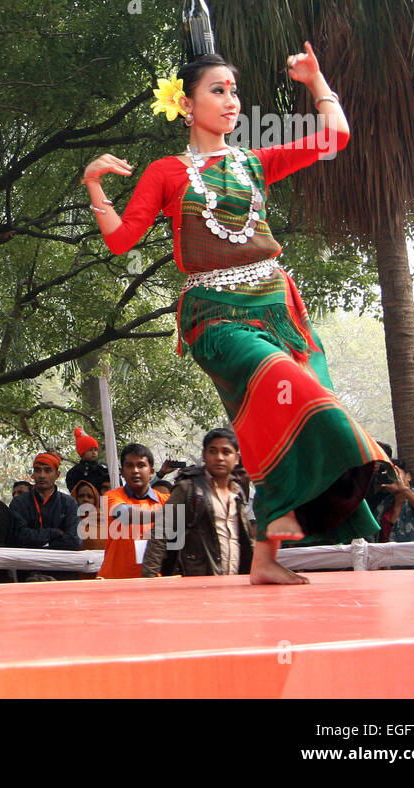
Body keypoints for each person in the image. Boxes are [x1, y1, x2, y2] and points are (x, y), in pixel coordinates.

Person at [82, 45, 389, 585]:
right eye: (218, 91)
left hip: (278, 310)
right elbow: (121, 241)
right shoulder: (166, 172)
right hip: (215, 319)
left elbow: (334, 136)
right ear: (185, 102)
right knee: (291, 390)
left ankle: (268, 554)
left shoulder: (253, 161)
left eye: (234, 91)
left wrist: (316, 81)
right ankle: (277, 542)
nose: (232, 101)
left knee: (283, 423)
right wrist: (95, 186)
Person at [142, 428, 254, 577]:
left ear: (237, 458)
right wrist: (149, 580)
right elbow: (161, 532)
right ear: (204, 455)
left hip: (234, 582)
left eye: (226, 452)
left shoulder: (237, 493)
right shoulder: (188, 488)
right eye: (213, 451)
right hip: (195, 583)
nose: (219, 457)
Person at [99, 444, 168, 579]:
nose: (135, 470)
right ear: (122, 471)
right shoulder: (111, 497)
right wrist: (165, 515)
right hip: (115, 581)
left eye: (141, 465)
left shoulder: (165, 500)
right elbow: (125, 515)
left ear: (152, 471)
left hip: (154, 580)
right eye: (129, 466)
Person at [10, 453, 81, 580]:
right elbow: (18, 537)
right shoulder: (19, 502)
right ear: (33, 474)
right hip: (28, 573)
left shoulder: (69, 503)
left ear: (57, 474)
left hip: (62, 573)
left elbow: (74, 541)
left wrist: (38, 542)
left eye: (47, 470)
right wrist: (53, 533)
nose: (42, 475)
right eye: (38, 470)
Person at [373, 459, 414, 545]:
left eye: (395, 475)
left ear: (408, 476)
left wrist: (404, 489)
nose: (393, 479)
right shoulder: (383, 506)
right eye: (389, 476)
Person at [66, 428, 111, 494]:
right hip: (83, 502)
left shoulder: (104, 469)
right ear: (82, 453)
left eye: (95, 450)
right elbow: (73, 493)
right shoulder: (73, 472)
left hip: (104, 501)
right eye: (90, 450)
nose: (94, 453)